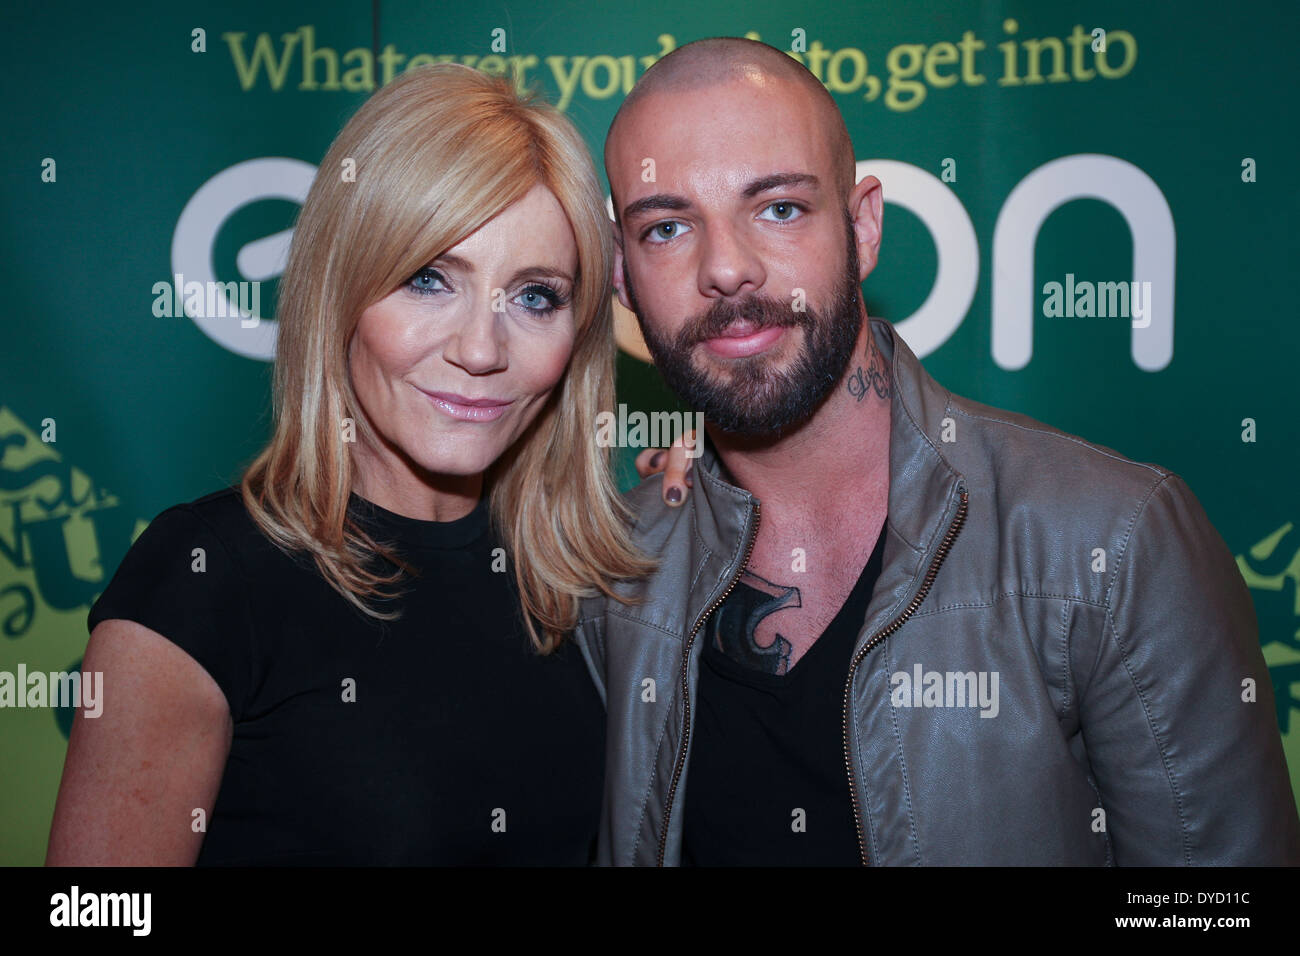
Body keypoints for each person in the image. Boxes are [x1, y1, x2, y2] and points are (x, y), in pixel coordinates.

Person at [580, 36, 1300, 865]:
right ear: (624, 278)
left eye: (779, 208)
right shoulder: (614, 575)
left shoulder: (1110, 540)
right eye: (667, 227)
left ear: (863, 227)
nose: (729, 270)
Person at [46, 64, 651, 865]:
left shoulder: (577, 590)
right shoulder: (205, 579)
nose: (480, 349)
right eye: (429, 280)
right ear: (341, 293)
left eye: (535, 296)